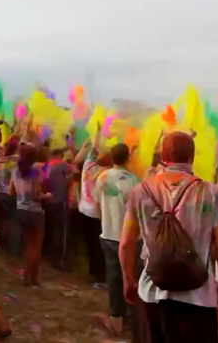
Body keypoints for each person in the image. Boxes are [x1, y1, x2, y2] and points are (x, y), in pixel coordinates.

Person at [119, 131, 218, 343]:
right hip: (198, 296)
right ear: (192, 157)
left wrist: (128, 278)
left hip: (153, 291)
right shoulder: (211, 192)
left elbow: (127, 242)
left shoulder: (140, 191)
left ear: (163, 157)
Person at [94, 143, 140, 336]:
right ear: (127, 158)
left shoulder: (102, 177)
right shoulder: (134, 181)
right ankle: (134, 318)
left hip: (108, 233)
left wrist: (104, 222)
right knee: (130, 275)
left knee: (113, 277)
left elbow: (97, 204)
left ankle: (116, 319)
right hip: (127, 237)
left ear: (112, 158)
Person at [10, 144, 52, 286]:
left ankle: (29, 276)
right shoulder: (36, 173)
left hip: (20, 210)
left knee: (29, 246)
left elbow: (11, 191)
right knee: (36, 247)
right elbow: (36, 196)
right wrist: (48, 196)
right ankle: (31, 278)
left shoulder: (15, 171)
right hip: (34, 212)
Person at [75, 132, 111, 288]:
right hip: (96, 214)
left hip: (83, 211)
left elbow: (86, 152)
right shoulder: (104, 174)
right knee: (99, 247)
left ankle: (93, 272)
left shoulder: (87, 165)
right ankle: (99, 279)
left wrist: (97, 133)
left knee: (90, 244)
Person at [44, 147, 74, 271]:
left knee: (50, 229)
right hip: (60, 202)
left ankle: (50, 256)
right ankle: (60, 260)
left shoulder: (47, 166)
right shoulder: (65, 166)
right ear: (60, 155)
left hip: (48, 200)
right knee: (61, 232)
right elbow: (69, 183)